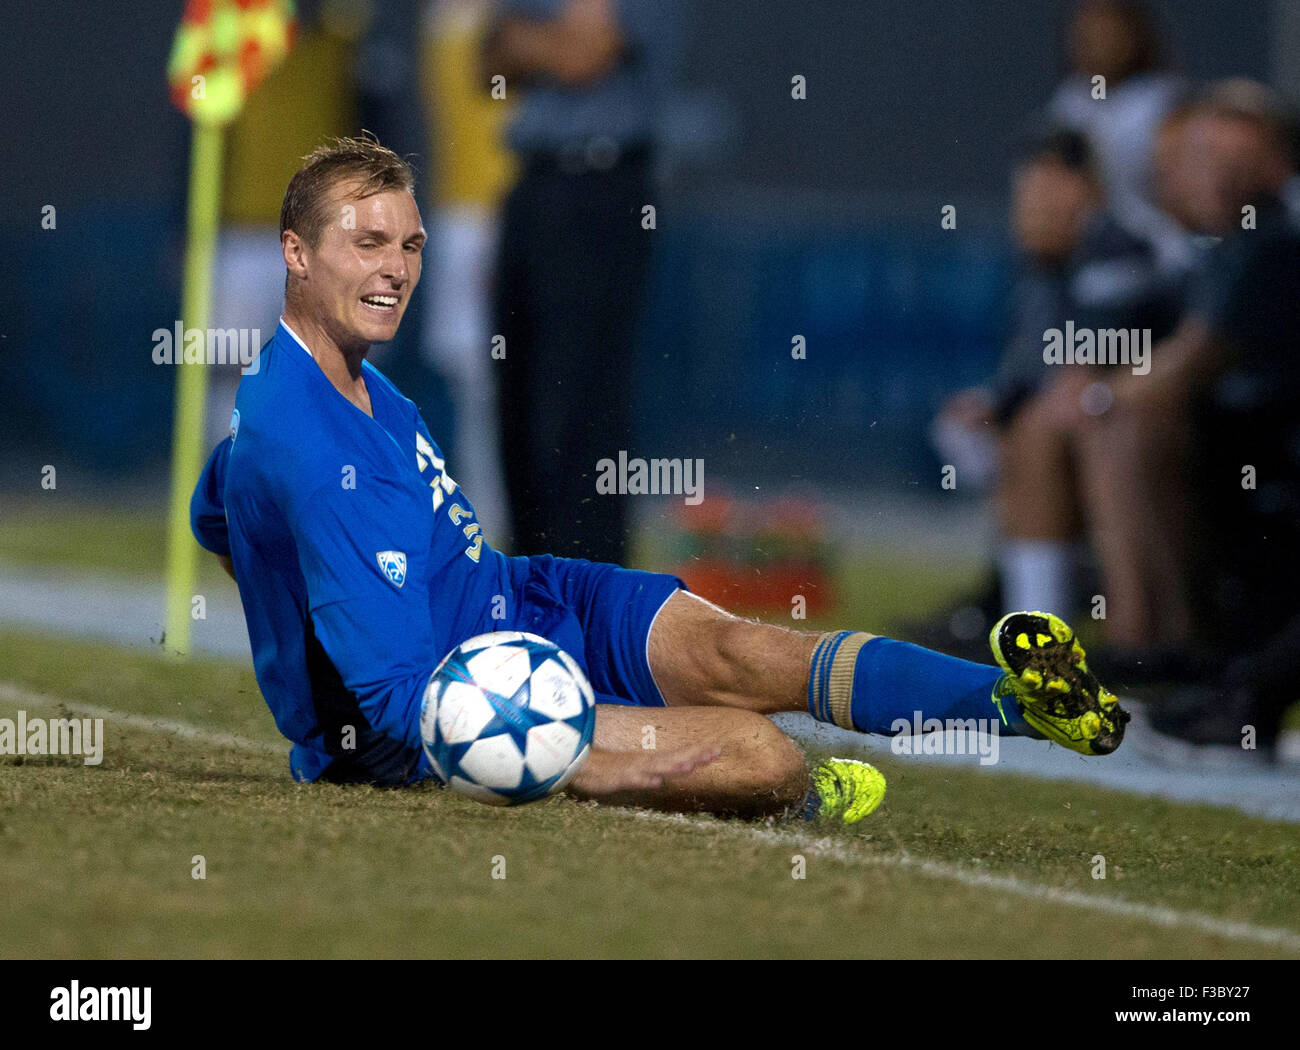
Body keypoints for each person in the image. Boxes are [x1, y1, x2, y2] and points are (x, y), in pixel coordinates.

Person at [190, 137, 1130, 824]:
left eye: (411, 245)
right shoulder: (314, 453)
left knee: (744, 655)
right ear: (295, 251)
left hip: (530, 598)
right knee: (758, 747)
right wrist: (568, 753)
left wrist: (286, 601)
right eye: (368, 244)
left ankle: (1025, 706)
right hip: (480, 700)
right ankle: (795, 797)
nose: (396, 270)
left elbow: (217, 509)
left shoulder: (335, 385)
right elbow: (401, 708)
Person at [483, 0, 682, 565]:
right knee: (516, 392)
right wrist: (546, 39)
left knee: (582, 399)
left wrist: (532, 39)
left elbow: (582, 57)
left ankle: (589, 579)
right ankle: (529, 573)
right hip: (531, 183)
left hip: (604, 186)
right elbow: (487, 64)